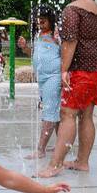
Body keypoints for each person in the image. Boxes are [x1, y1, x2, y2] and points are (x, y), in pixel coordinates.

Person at [38, 0, 97, 178]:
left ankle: (55, 165)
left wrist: (63, 70)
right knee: (86, 115)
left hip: (83, 71)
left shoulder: (72, 10)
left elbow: (70, 42)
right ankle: (81, 162)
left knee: (68, 114)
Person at [17, 8, 61, 159]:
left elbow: (66, 52)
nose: (40, 23)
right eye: (38, 20)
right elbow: (34, 54)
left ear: (50, 20)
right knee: (55, 110)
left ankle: (40, 150)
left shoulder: (57, 35)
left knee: (49, 111)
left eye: (43, 20)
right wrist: (25, 48)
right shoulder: (38, 35)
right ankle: (61, 143)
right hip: (42, 78)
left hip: (53, 76)